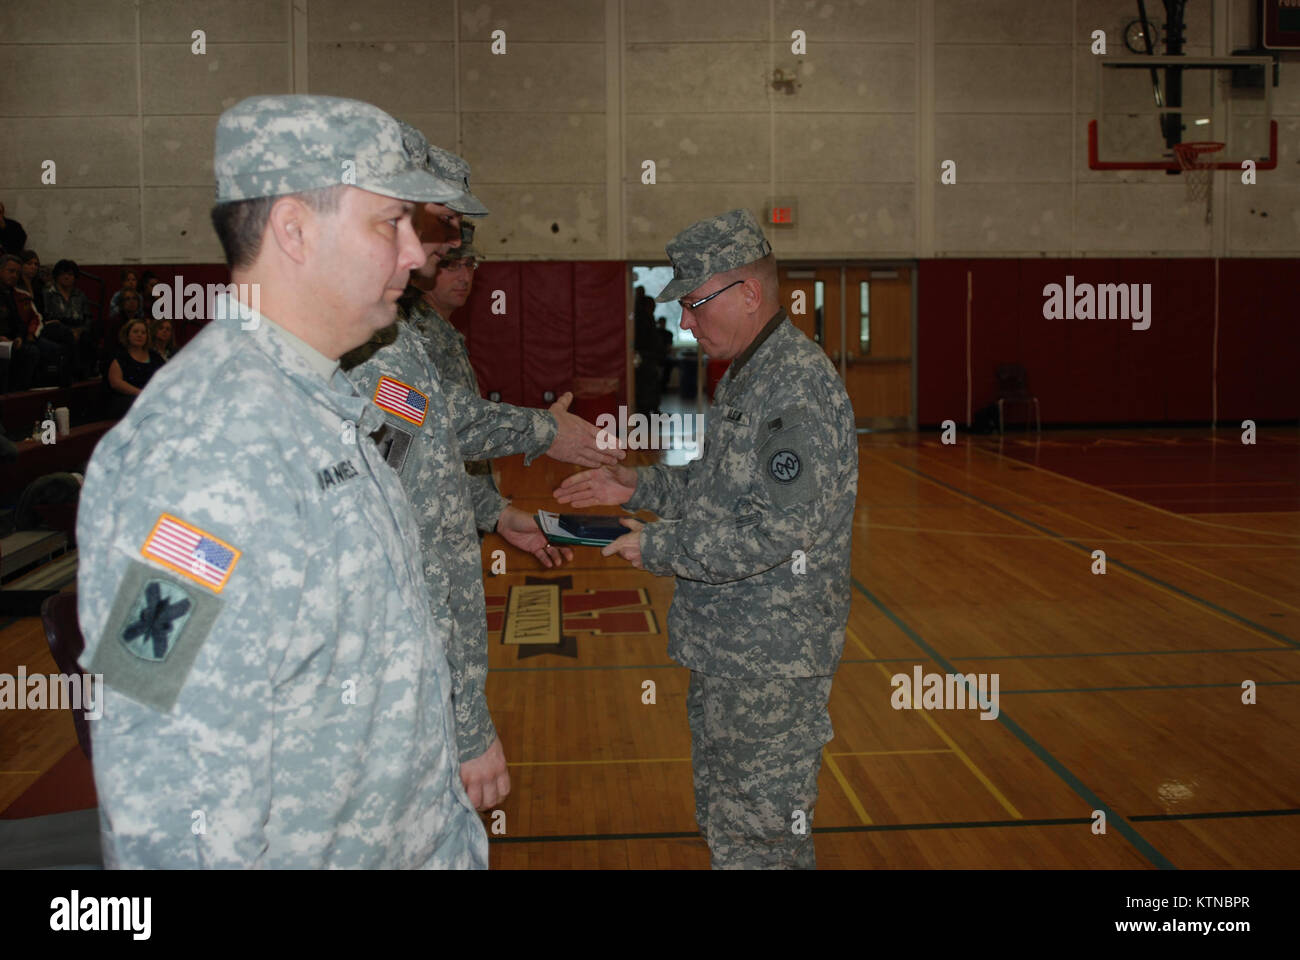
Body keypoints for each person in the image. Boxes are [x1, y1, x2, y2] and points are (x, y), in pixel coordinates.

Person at [75, 93, 488, 869]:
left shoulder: (318, 401)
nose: (414, 253)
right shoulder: (202, 450)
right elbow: (167, 782)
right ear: (294, 230)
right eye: (389, 222)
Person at [555, 209, 859, 869]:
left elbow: (781, 529)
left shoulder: (795, 385)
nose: (686, 322)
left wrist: (658, 547)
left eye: (694, 303)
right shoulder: (752, 372)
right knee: (731, 829)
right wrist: (636, 486)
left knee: (763, 841)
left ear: (748, 293)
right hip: (733, 650)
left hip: (771, 662)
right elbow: (717, 488)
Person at [343, 127, 615, 813]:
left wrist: (495, 512)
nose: (438, 251)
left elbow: (416, 457)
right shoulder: (357, 349)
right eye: (432, 222)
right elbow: (150, 666)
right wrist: (545, 430)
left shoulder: (384, 337)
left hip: (404, 701)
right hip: (374, 714)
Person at [405, 150, 569, 564]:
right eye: (451, 264)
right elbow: (437, 424)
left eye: (470, 264)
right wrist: (546, 430)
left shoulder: (442, 332)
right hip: (425, 535)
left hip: (456, 518)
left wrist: (494, 512)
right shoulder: (408, 333)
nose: (464, 275)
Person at [42, 259, 95, 379]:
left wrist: (79, 330)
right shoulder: (48, 293)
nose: (66, 277)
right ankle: (72, 372)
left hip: (78, 328)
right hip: (57, 328)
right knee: (66, 337)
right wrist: (69, 331)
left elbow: (88, 317)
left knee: (87, 338)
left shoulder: (80, 295)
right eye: (63, 274)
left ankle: (86, 374)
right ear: (56, 276)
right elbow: (46, 315)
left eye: (70, 274)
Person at [105, 318, 165, 418]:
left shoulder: (155, 357)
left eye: (143, 333)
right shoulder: (120, 357)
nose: (139, 335)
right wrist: (141, 393)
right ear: (127, 335)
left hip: (152, 398)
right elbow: (116, 383)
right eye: (135, 332)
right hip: (127, 401)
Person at [0, 255, 39, 391]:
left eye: (17, 273)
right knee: (5, 355)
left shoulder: (11, 294)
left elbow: (19, 322)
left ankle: (20, 393)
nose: (14, 276)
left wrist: (19, 337)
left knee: (31, 351)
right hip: (2, 341)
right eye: (11, 271)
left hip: (10, 341)